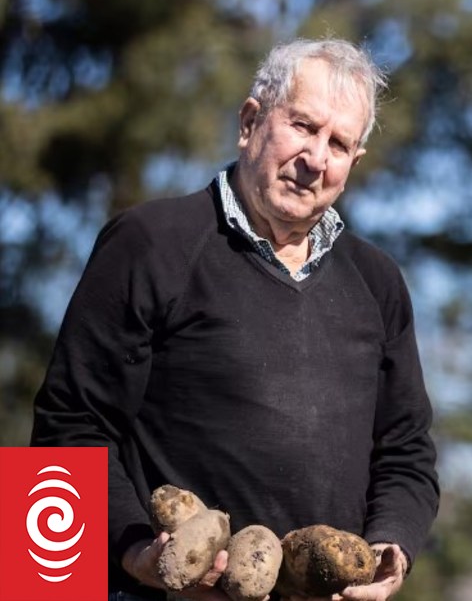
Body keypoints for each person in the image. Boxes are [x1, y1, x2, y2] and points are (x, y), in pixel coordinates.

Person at [30, 37, 439, 601]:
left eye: (339, 143)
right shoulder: (149, 243)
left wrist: (393, 548)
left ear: (353, 164)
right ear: (250, 122)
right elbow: (64, 426)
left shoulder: (378, 281)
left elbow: (407, 449)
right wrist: (134, 556)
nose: (317, 157)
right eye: (302, 126)